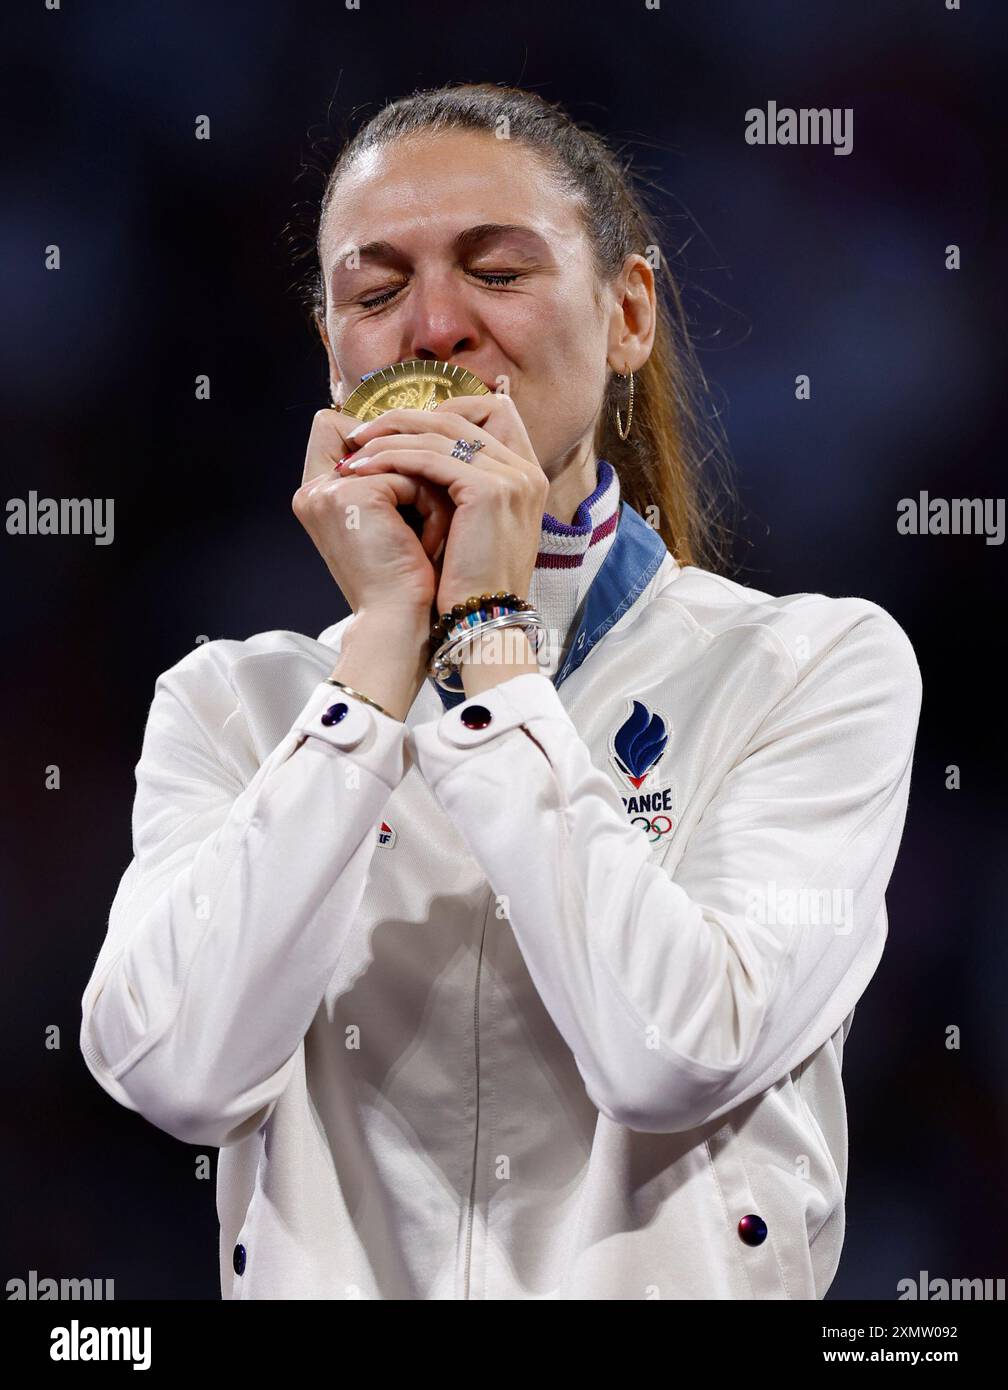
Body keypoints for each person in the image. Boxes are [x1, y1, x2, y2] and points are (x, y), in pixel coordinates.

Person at [79, 82, 922, 1300]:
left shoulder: (809, 668)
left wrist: (485, 633)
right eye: (375, 294)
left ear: (628, 313)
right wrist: (375, 664)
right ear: (335, 348)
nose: (432, 328)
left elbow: (675, 1052)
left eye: (499, 272)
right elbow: (176, 1074)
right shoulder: (236, 703)